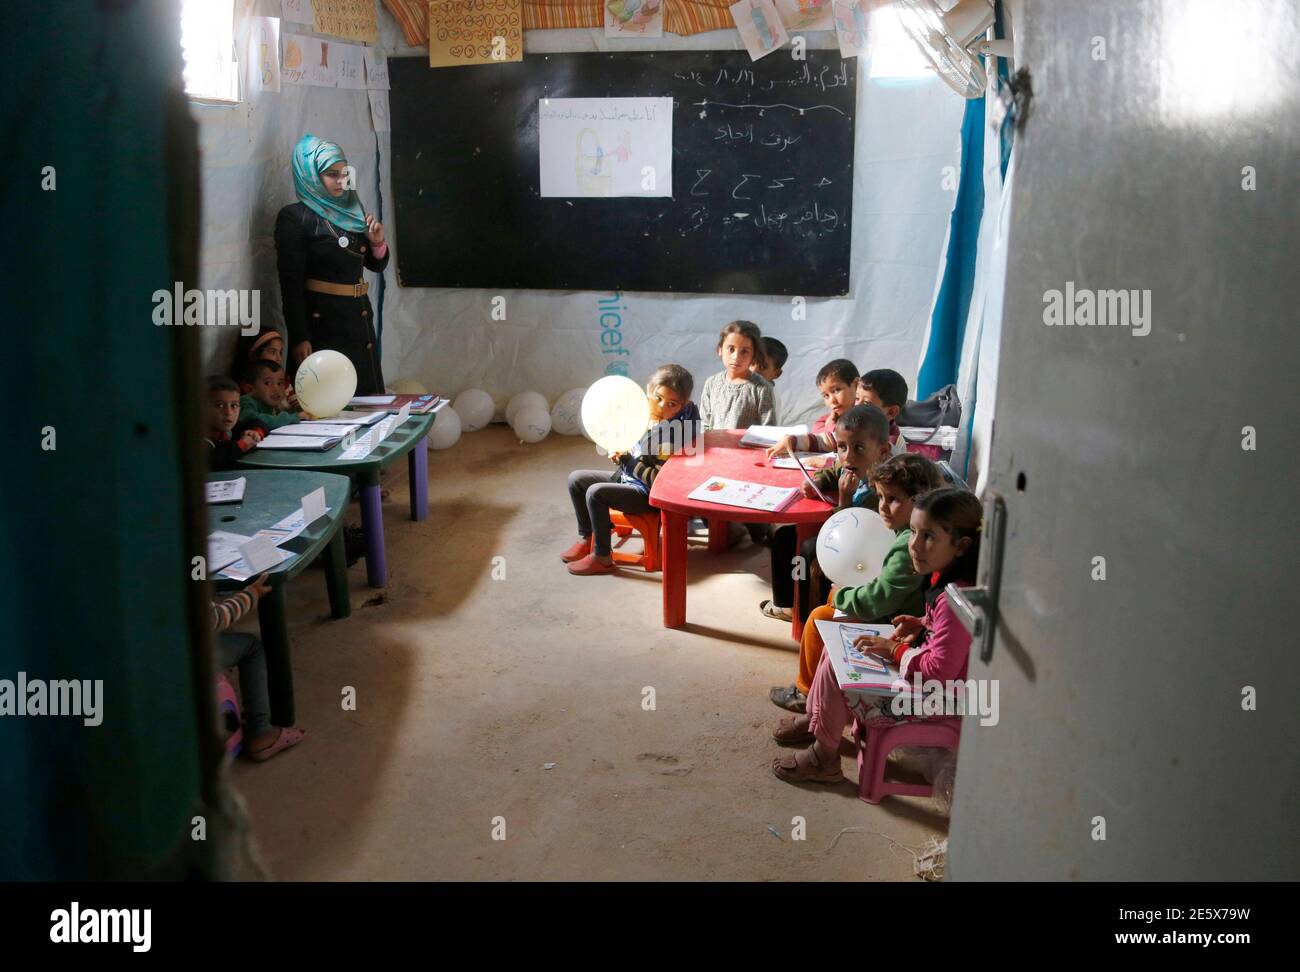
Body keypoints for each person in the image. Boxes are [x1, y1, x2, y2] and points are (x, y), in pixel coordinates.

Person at [770, 487, 981, 783]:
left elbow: (940, 672)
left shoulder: (954, 598)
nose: (914, 545)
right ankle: (817, 720)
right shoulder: (947, 579)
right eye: (913, 533)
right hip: (931, 683)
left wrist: (893, 650)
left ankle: (823, 757)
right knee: (838, 643)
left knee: (836, 668)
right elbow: (950, 634)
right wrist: (922, 623)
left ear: (961, 546)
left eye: (928, 537)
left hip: (938, 702)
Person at [768, 453, 943, 713]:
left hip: (893, 622)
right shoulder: (902, 529)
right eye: (881, 497)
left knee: (818, 619)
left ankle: (805, 692)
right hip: (893, 611)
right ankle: (824, 679)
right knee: (829, 603)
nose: (882, 506)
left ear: (920, 501)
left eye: (893, 499)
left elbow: (879, 599)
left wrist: (842, 596)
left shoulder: (908, 545)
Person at [275, 133, 389, 395]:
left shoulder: (351, 210)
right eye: (331, 174)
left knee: (367, 403)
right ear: (311, 176)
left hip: (359, 320)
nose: (341, 180)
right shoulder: (294, 218)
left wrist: (377, 243)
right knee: (330, 402)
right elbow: (289, 284)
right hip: (323, 325)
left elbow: (375, 266)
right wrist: (299, 335)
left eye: (343, 172)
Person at [759, 404, 893, 622]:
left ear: (883, 451)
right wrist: (819, 480)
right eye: (842, 446)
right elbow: (835, 469)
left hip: (859, 553)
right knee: (784, 538)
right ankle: (786, 605)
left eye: (858, 448)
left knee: (807, 551)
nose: (848, 456)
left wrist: (845, 498)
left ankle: (807, 613)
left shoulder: (883, 489)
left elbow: (853, 536)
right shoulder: (849, 463)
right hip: (840, 531)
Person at [563, 365, 700, 576]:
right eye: (658, 398)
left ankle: (602, 557)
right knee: (577, 480)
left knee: (596, 493)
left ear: (683, 406)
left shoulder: (673, 435)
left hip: (648, 495)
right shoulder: (644, 417)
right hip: (629, 479)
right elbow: (632, 446)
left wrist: (625, 461)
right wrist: (620, 448)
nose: (662, 407)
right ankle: (588, 537)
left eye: (672, 404)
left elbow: (656, 479)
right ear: (648, 391)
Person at [212, 574, 306, 762]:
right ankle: (260, 730)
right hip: (184, 659)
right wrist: (251, 594)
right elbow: (217, 618)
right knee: (251, 647)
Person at [766, 358, 859, 457]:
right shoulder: (830, 417)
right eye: (826, 396)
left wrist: (795, 441)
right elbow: (817, 433)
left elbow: (835, 441)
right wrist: (830, 423)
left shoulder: (865, 417)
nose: (832, 400)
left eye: (837, 390)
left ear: (856, 385)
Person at [698, 321, 775, 431]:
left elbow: (768, 430)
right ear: (720, 350)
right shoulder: (711, 383)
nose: (736, 357)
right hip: (714, 447)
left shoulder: (762, 388)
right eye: (731, 349)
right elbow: (703, 424)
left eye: (744, 351)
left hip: (746, 448)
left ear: (754, 355)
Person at [205, 376, 267, 471]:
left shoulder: (227, 428)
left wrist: (255, 433)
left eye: (234, 405)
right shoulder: (199, 439)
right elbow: (213, 460)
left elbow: (257, 422)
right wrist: (242, 445)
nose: (228, 412)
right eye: (219, 405)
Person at [238, 359, 303, 430]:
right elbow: (254, 420)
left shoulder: (273, 405)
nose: (276, 388)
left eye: (280, 383)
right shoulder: (245, 402)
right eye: (268, 383)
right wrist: (294, 417)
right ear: (250, 389)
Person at [856, 368, 909, 453]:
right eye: (857, 398)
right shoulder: (854, 426)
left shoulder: (893, 444)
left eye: (867, 403)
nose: (857, 405)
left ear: (891, 412)